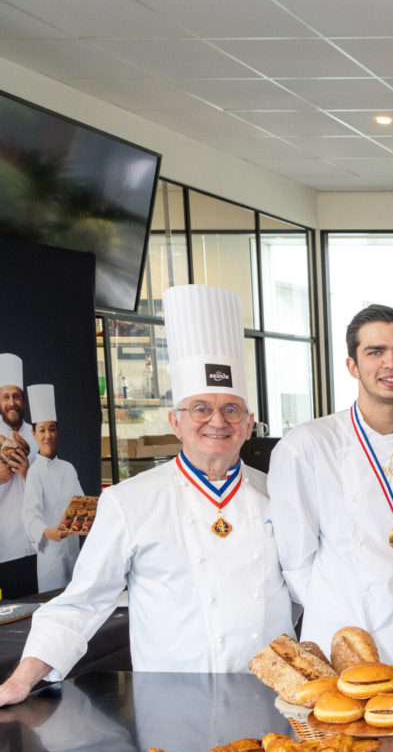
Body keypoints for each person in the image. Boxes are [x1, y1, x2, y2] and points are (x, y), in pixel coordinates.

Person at [0, 285, 293, 706]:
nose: (217, 421)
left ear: (248, 425)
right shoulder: (130, 501)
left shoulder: (276, 495)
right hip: (174, 712)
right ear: (176, 421)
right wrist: (20, 681)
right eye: (201, 408)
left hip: (271, 706)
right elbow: (82, 603)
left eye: (231, 409)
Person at [269, 304, 393, 664]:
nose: (391, 363)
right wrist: (342, 606)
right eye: (376, 352)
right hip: (343, 640)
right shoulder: (308, 445)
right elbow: (296, 561)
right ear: (352, 365)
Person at [21, 384, 84, 591]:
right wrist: (48, 532)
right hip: (51, 559)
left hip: (74, 553)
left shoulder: (68, 468)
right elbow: (30, 516)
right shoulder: (35, 472)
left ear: (58, 432)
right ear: (34, 434)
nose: (48, 435)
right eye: (42, 430)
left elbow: (82, 505)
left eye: (52, 429)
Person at [0, 352, 37, 572]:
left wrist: (28, 474)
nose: (12, 403)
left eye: (16, 396)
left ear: (23, 400)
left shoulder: (38, 436)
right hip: (5, 548)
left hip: (38, 545)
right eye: (5, 397)